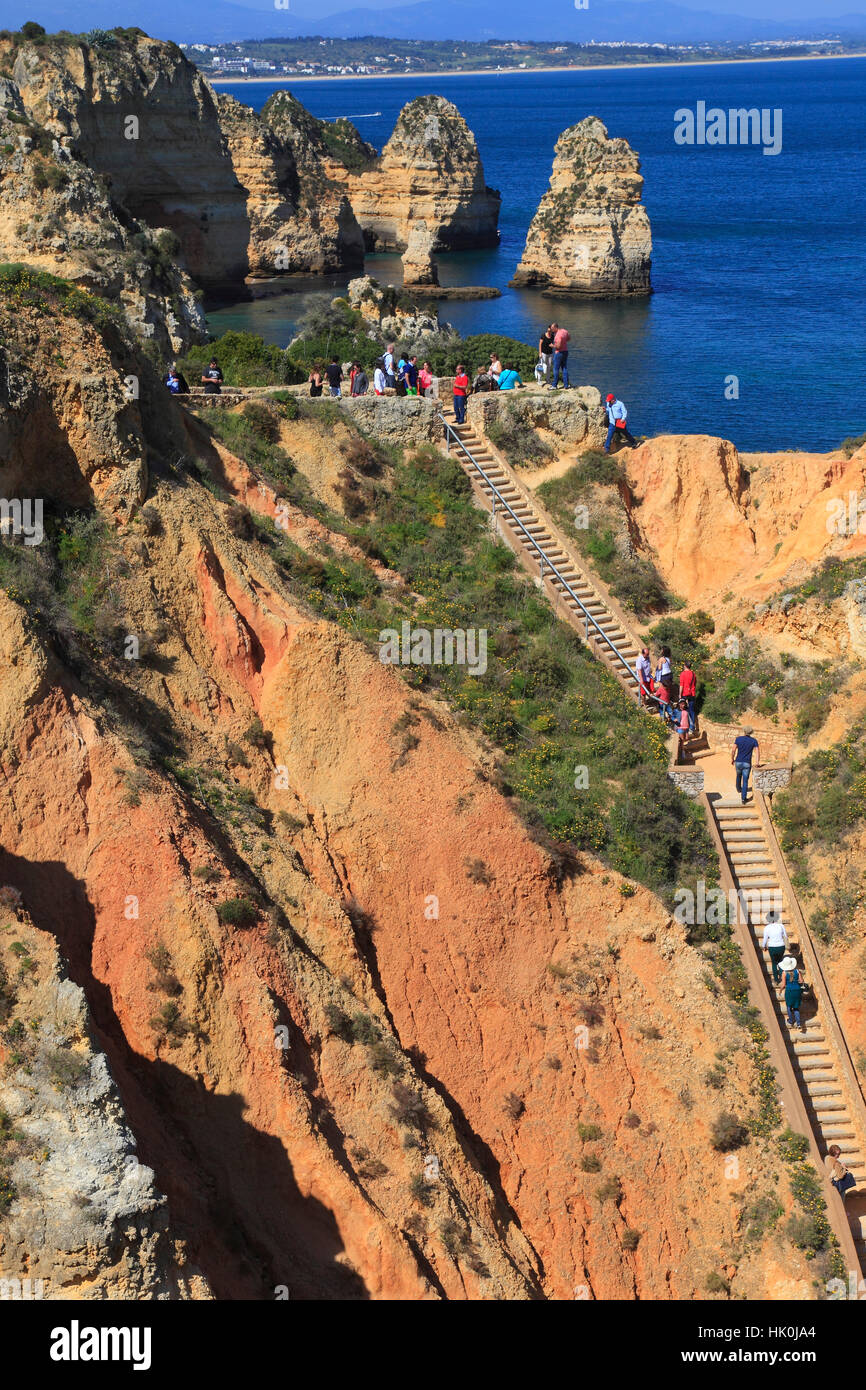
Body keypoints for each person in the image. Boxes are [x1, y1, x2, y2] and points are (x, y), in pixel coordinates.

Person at [731, 725, 761, 805]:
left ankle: (738, 789)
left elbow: (733, 750)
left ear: (744, 731)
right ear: (751, 732)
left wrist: (732, 759)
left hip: (738, 761)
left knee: (738, 775)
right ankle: (743, 799)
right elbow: (757, 752)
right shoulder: (754, 741)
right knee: (745, 781)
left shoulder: (738, 739)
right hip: (747, 763)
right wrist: (757, 762)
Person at [761, 910, 788, 985]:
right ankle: (783, 979)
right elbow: (785, 936)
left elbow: (765, 939)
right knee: (780, 962)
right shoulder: (781, 926)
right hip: (781, 946)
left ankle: (776, 979)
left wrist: (763, 946)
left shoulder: (767, 928)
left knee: (774, 963)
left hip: (772, 947)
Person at [780, 955, 805, 1031]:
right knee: (796, 1007)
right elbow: (801, 981)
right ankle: (798, 1023)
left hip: (789, 991)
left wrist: (780, 990)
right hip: (797, 990)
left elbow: (783, 984)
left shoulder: (784, 973)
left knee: (789, 1006)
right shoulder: (797, 971)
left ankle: (791, 1020)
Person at [678, 659, 697, 733]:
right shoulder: (693, 674)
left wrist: (680, 694)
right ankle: (692, 728)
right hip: (692, 693)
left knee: (683, 710)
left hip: (684, 694)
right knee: (691, 710)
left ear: (685, 666)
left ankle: (684, 726)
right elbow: (695, 683)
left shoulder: (683, 674)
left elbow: (681, 685)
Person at [552, 323, 570, 388]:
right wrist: (564, 342)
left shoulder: (558, 335)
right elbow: (569, 338)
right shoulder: (564, 331)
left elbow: (558, 346)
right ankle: (566, 385)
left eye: (552, 329)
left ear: (555, 328)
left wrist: (553, 346)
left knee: (556, 369)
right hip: (565, 351)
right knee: (564, 368)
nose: (551, 330)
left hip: (559, 353)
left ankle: (554, 385)